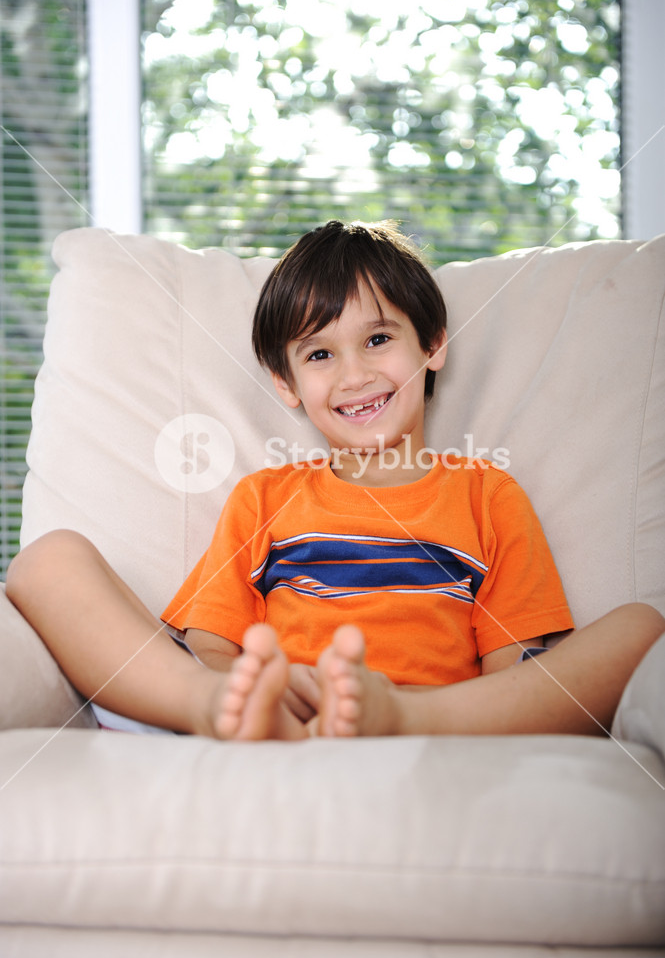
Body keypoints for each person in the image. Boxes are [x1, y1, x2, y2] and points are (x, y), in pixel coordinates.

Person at [6, 221, 664, 742]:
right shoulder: (265, 498)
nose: (353, 375)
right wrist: (240, 688)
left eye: (377, 339)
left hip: (428, 719)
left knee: (641, 623)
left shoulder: (487, 497)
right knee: (46, 562)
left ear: (431, 345)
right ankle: (220, 716)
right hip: (276, 712)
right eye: (319, 353)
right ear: (286, 385)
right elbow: (209, 642)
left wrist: (412, 713)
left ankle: (390, 722)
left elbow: (513, 669)